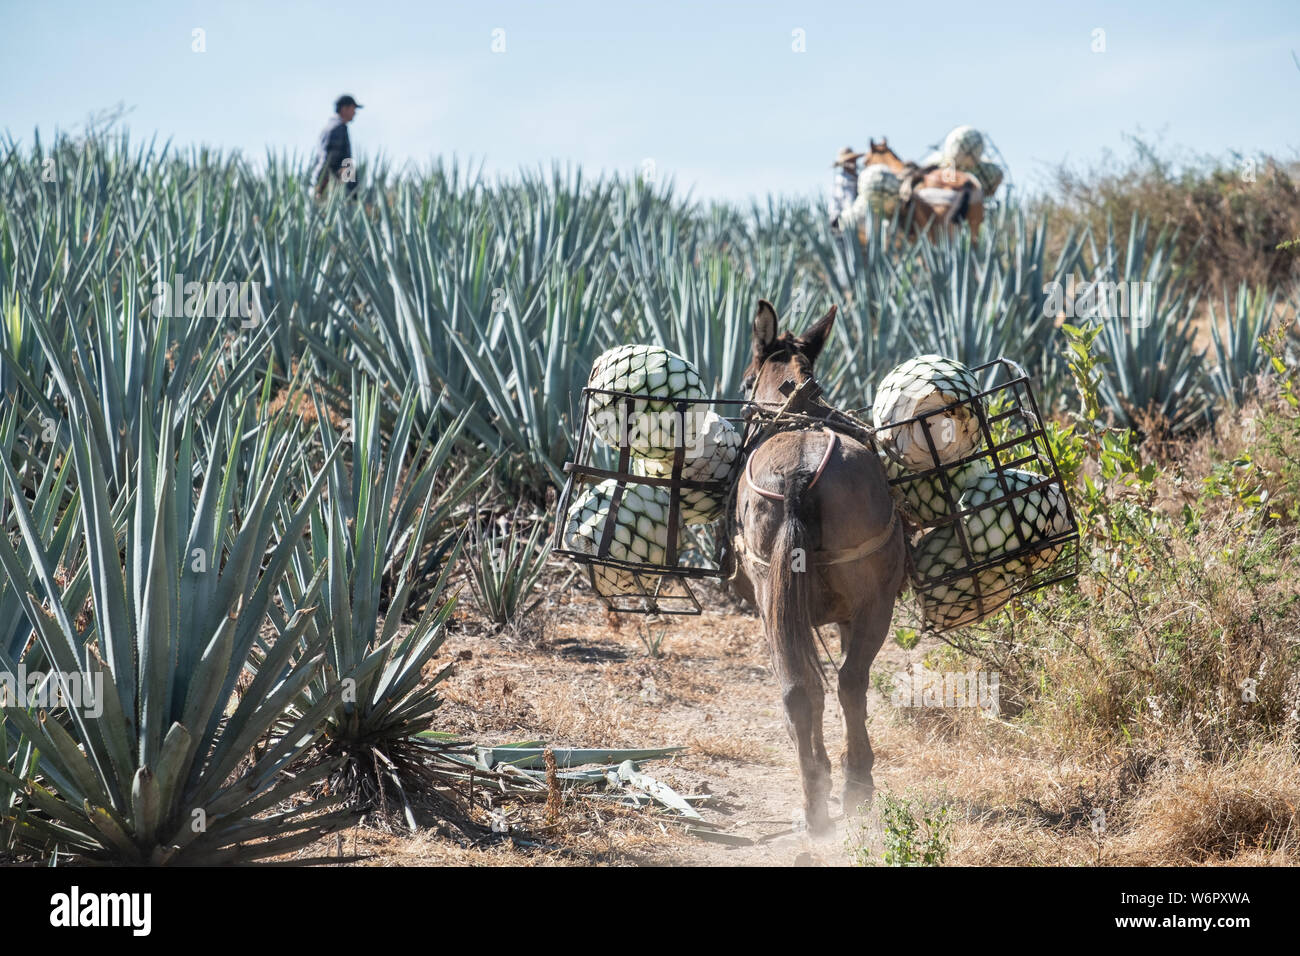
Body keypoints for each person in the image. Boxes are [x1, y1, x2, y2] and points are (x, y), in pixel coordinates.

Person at [311, 94, 363, 199]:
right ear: (344, 109)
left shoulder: (330, 127)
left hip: (329, 184)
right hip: (333, 187)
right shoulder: (338, 129)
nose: (355, 113)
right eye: (353, 109)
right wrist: (322, 185)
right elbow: (329, 160)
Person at [828, 146, 863, 231]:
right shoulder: (842, 181)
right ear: (845, 164)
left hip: (855, 221)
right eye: (851, 161)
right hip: (842, 222)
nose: (854, 163)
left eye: (854, 160)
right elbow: (848, 202)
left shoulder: (857, 178)